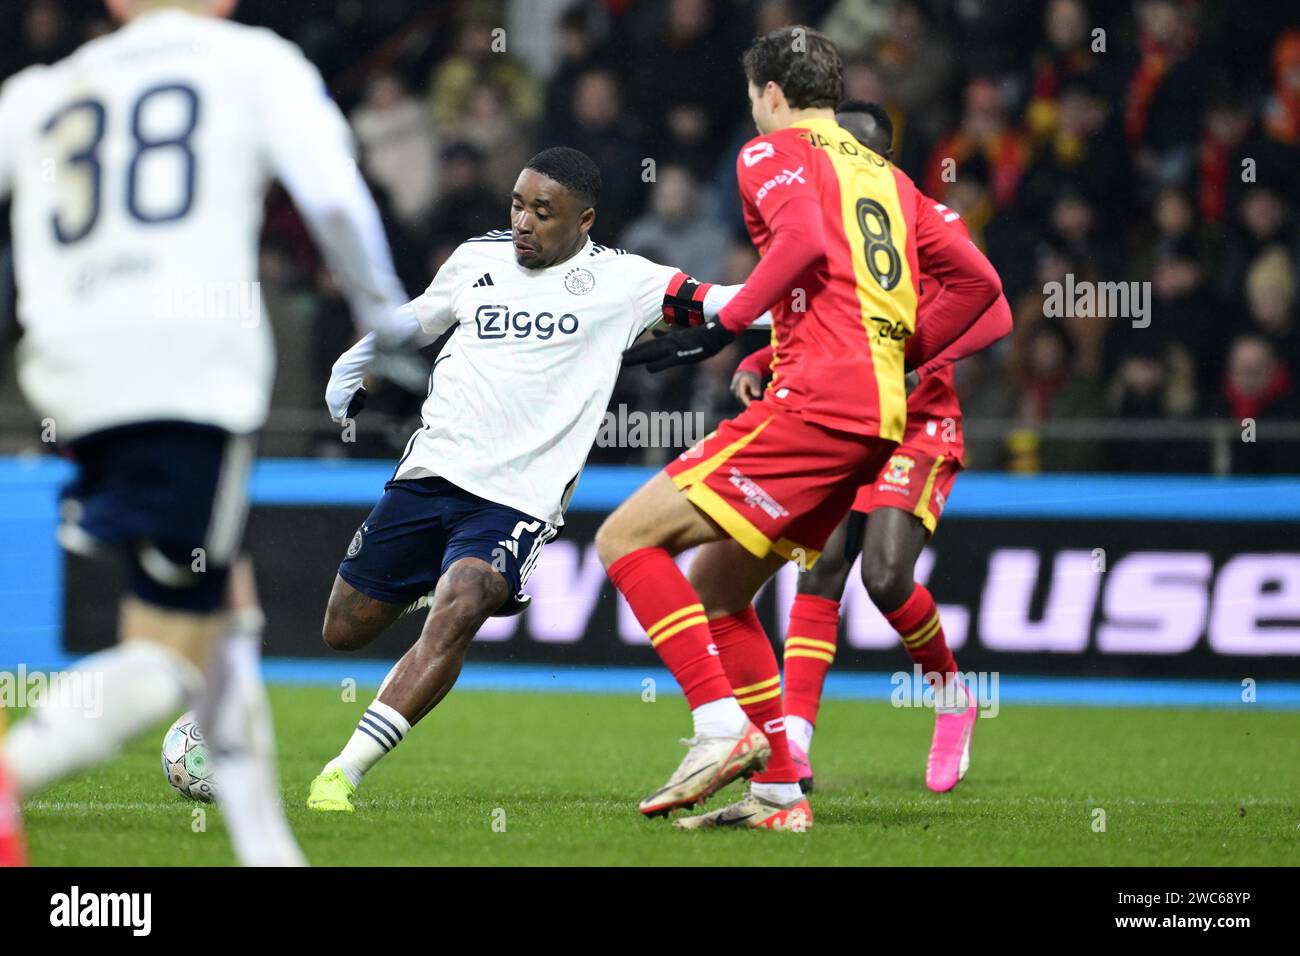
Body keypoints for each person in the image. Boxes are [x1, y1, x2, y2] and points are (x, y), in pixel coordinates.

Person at [0, 0, 416, 866]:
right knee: (172, 649)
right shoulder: (253, 61)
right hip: (185, 374)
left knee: (223, 601)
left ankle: (268, 850)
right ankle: (15, 769)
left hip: (74, 378)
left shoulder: (40, 91)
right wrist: (386, 318)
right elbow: (335, 198)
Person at [595, 27, 1003, 831]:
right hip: (878, 418)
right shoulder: (888, 177)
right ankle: (780, 792)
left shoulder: (772, 153)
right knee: (721, 593)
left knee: (622, 540)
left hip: (816, 402)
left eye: (753, 98)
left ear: (770, 94)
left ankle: (718, 731)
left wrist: (729, 322)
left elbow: (805, 241)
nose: (753, 113)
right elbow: (981, 285)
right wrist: (894, 350)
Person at [305, 147, 770, 812]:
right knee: (343, 629)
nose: (523, 221)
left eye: (541, 212)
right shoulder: (478, 259)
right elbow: (420, 316)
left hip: (516, 500)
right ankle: (431, 587)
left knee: (461, 605)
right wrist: (358, 357)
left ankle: (341, 774)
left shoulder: (626, 282)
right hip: (432, 471)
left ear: (583, 220)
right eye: (518, 206)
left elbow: (728, 302)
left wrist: (822, 310)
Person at [729, 99, 1012, 794]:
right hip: (842, 411)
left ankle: (953, 700)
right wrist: (760, 363)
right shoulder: (819, 217)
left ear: (875, 155)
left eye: (837, 147)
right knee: (820, 570)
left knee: (885, 578)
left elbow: (996, 309)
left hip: (916, 423)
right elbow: (813, 311)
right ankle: (794, 741)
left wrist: (914, 356)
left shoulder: (920, 214)